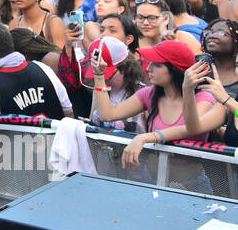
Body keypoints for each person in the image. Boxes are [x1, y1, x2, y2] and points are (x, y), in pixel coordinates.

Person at [91, 39, 217, 167]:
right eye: (150, 63)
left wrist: (144, 137)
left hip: (192, 184)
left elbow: (190, 129)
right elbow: (108, 115)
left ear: (175, 69)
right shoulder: (149, 94)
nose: (149, 68)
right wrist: (99, 75)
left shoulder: (203, 97)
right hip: (153, 178)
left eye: (157, 65)